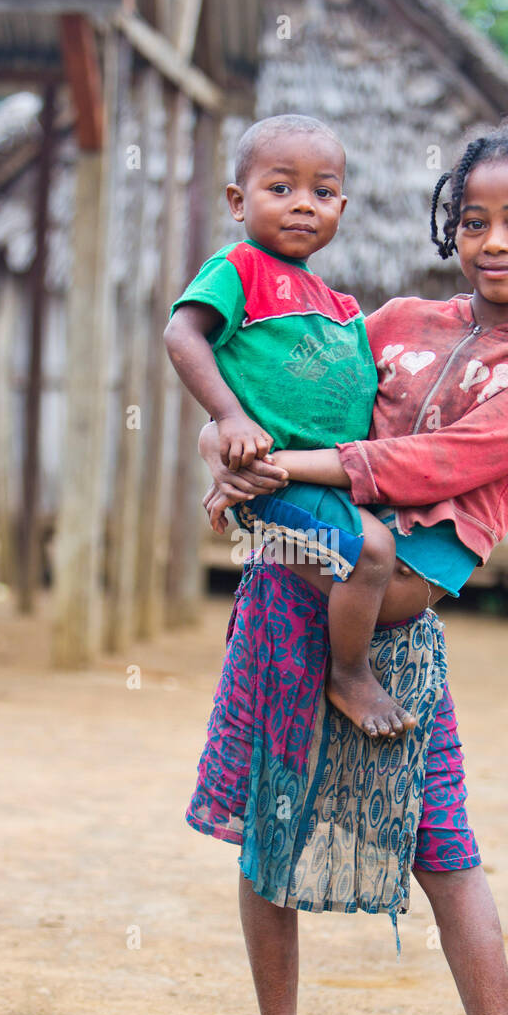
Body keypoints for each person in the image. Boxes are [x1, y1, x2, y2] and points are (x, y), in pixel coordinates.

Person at [191, 122, 508, 1015]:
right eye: (472, 220)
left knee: (444, 847)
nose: (493, 241)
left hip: (394, 628)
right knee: (266, 827)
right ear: (448, 229)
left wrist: (277, 457)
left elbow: (432, 464)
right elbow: (283, 391)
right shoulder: (392, 321)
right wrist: (227, 441)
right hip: (285, 594)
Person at [166, 112, 470, 738]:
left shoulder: (341, 309)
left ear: (342, 206)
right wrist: (227, 421)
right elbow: (181, 335)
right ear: (237, 200)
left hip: (331, 479)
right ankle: (349, 675)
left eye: (323, 192)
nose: (303, 204)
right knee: (374, 552)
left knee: (390, 548)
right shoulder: (238, 269)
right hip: (277, 479)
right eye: (281, 188)